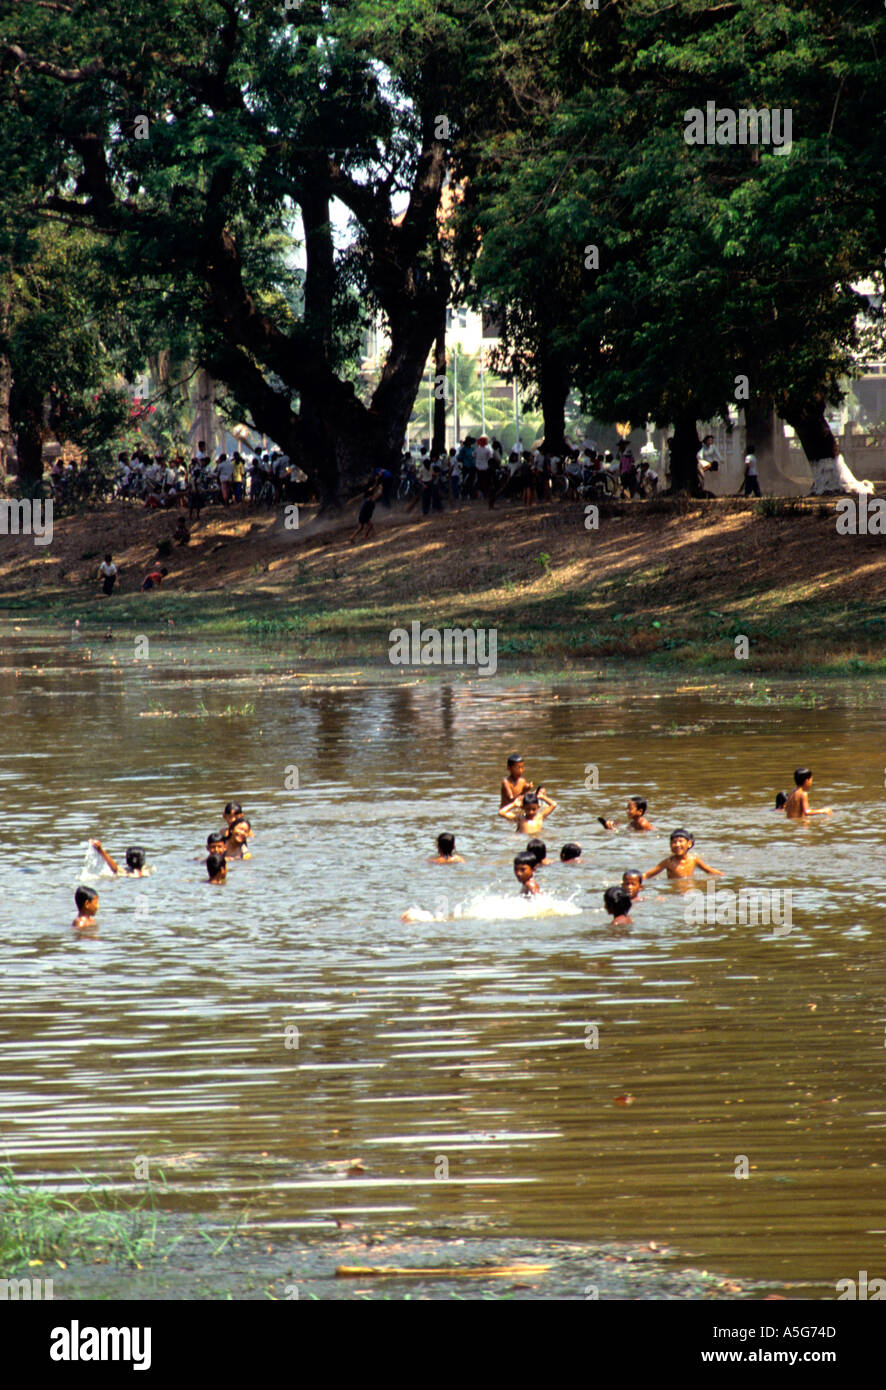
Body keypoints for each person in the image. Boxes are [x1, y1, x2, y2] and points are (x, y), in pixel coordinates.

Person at [642, 829, 723, 881]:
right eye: (674, 842)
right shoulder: (668, 862)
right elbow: (648, 874)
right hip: (674, 892)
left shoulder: (693, 860)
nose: (677, 844)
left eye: (681, 841)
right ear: (670, 845)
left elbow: (709, 870)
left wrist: (723, 876)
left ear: (689, 844)